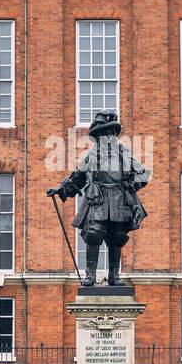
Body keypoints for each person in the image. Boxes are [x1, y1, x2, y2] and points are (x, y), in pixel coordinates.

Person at [46, 111, 150, 287]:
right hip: (98, 199)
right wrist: (61, 189)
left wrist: (130, 185)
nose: (106, 137)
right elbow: (78, 177)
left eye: (109, 133)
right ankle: (91, 275)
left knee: (116, 237)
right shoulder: (92, 156)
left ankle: (114, 276)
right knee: (93, 235)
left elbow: (143, 174)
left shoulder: (123, 154)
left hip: (119, 200)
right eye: (102, 134)